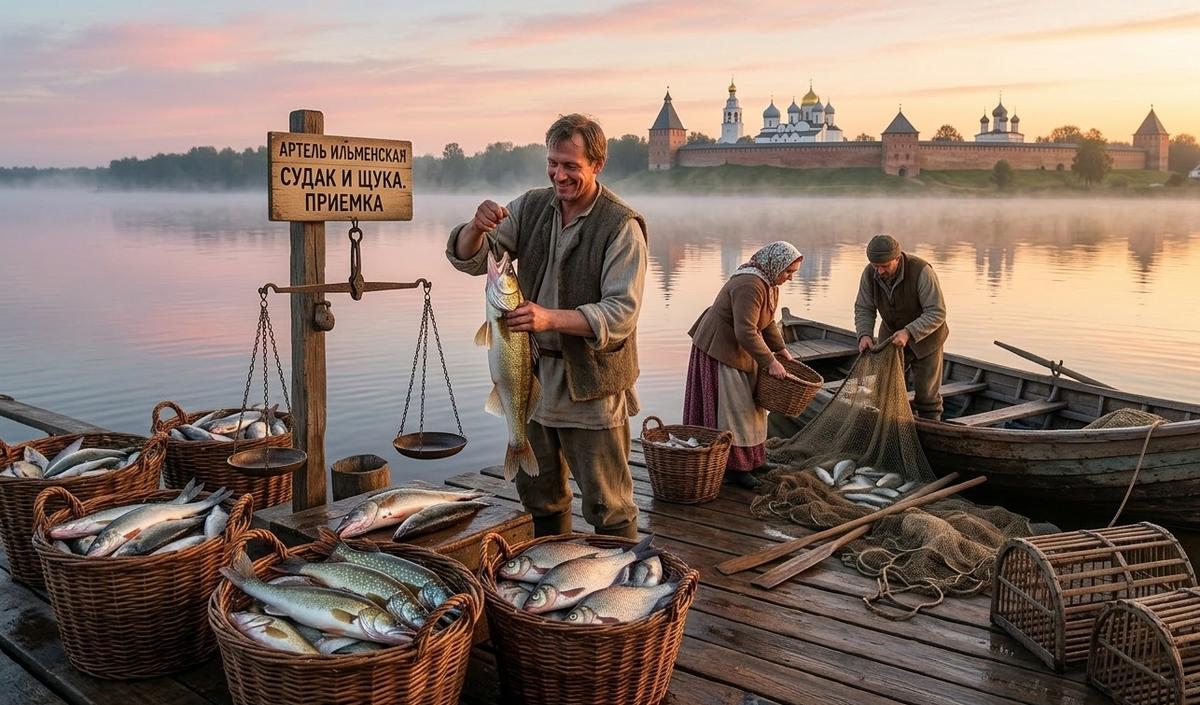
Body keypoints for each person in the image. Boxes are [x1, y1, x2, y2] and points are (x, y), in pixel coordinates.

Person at [445, 114, 647, 539]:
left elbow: (620, 313)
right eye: (553, 163)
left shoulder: (621, 226)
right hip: (530, 380)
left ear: (598, 164)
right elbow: (471, 256)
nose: (559, 174)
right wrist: (474, 227)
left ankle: (621, 593)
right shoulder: (532, 206)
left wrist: (548, 318)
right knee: (540, 498)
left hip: (592, 385)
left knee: (608, 505)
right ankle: (553, 573)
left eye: (571, 166)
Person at [684, 241, 803, 490]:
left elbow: (767, 322)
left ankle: (754, 460)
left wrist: (782, 351)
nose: (789, 278)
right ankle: (735, 468)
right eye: (788, 272)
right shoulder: (749, 284)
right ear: (776, 264)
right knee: (733, 411)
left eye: (792, 273)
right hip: (721, 350)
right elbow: (746, 330)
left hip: (742, 350)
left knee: (753, 410)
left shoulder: (769, 282)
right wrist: (770, 362)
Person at [853, 234, 949, 421]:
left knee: (927, 396)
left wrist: (908, 332)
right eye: (875, 266)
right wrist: (864, 334)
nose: (879, 271)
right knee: (886, 391)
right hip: (890, 334)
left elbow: (937, 312)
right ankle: (893, 425)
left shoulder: (922, 271)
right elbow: (864, 307)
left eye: (885, 266)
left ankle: (931, 425)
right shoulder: (869, 273)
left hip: (927, 339)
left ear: (897, 258)